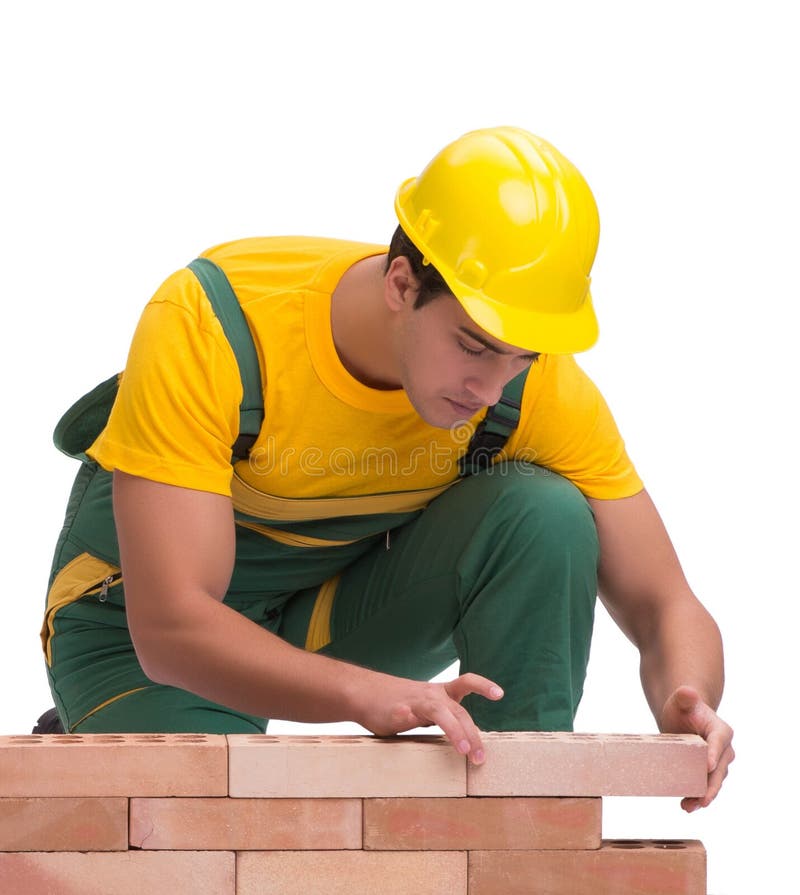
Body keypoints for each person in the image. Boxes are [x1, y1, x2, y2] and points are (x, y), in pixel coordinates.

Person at [39, 126, 733, 811]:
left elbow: (663, 599)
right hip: (138, 623)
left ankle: (514, 818)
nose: (492, 389)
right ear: (401, 283)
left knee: (544, 517)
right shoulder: (214, 323)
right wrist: (364, 694)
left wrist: (689, 701)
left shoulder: (530, 385)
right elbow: (171, 625)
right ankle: (104, 721)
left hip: (319, 609)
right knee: (218, 832)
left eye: (520, 358)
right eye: (472, 346)